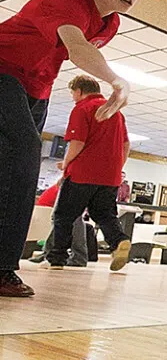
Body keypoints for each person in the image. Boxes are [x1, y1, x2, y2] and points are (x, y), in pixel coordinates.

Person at [0, 0, 144, 297]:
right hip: (3, 71)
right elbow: (77, 48)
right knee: (24, 154)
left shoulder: (110, 23)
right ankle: (3, 268)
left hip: (37, 88)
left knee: (13, 167)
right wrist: (116, 79)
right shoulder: (67, 1)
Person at [45, 76, 132, 271]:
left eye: (72, 93)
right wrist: (116, 167)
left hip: (82, 173)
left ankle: (57, 258)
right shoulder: (116, 112)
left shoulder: (82, 108)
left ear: (79, 91)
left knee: (64, 215)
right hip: (110, 177)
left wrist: (65, 164)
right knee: (104, 214)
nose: (73, 98)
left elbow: (78, 143)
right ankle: (119, 242)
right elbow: (126, 145)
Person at [29, 180, 89, 267]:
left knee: (70, 220)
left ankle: (77, 257)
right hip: (48, 211)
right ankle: (51, 254)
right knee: (71, 220)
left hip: (43, 213)